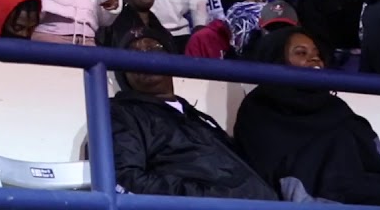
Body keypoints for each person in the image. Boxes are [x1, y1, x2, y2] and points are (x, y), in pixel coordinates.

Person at [235, 27, 380, 204]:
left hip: (371, 193)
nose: (314, 58)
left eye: (316, 53)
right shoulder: (259, 109)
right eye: (301, 53)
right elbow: (271, 178)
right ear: (277, 60)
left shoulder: (334, 107)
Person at [110, 29, 277, 200]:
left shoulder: (196, 116)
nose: (145, 56)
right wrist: (205, 197)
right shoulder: (122, 112)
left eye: (154, 48)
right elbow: (126, 179)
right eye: (133, 53)